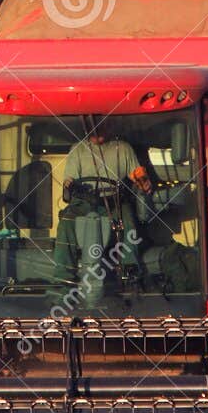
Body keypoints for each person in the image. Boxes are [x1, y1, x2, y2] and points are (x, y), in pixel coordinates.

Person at [52, 120, 150, 295]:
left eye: (101, 126)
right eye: (93, 128)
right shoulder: (78, 149)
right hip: (83, 201)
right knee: (66, 221)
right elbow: (70, 180)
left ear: (109, 125)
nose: (97, 131)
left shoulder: (123, 148)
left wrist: (143, 181)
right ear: (87, 129)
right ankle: (63, 278)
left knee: (127, 220)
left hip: (115, 201)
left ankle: (131, 273)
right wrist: (69, 184)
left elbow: (138, 174)